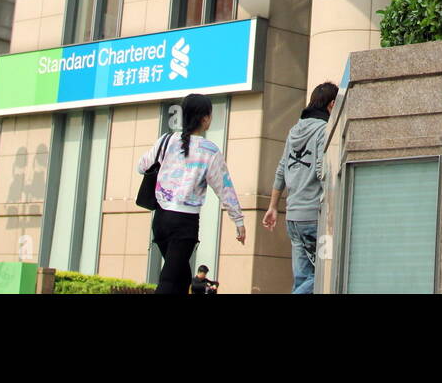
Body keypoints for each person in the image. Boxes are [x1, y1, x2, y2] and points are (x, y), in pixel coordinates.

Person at [137, 93, 245, 294]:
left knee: (181, 278)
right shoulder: (209, 150)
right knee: (169, 281)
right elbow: (225, 188)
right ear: (205, 118)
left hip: (160, 220)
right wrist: (238, 220)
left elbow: (142, 166)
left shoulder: (166, 140)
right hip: (184, 223)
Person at [262, 82, 338, 294]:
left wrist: (273, 206)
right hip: (315, 219)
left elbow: (281, 168)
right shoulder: (324, 130)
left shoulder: (294, 130)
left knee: (303, 278)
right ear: (332, 105)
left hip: (293, 218)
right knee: (324, 273)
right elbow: (321, 170)